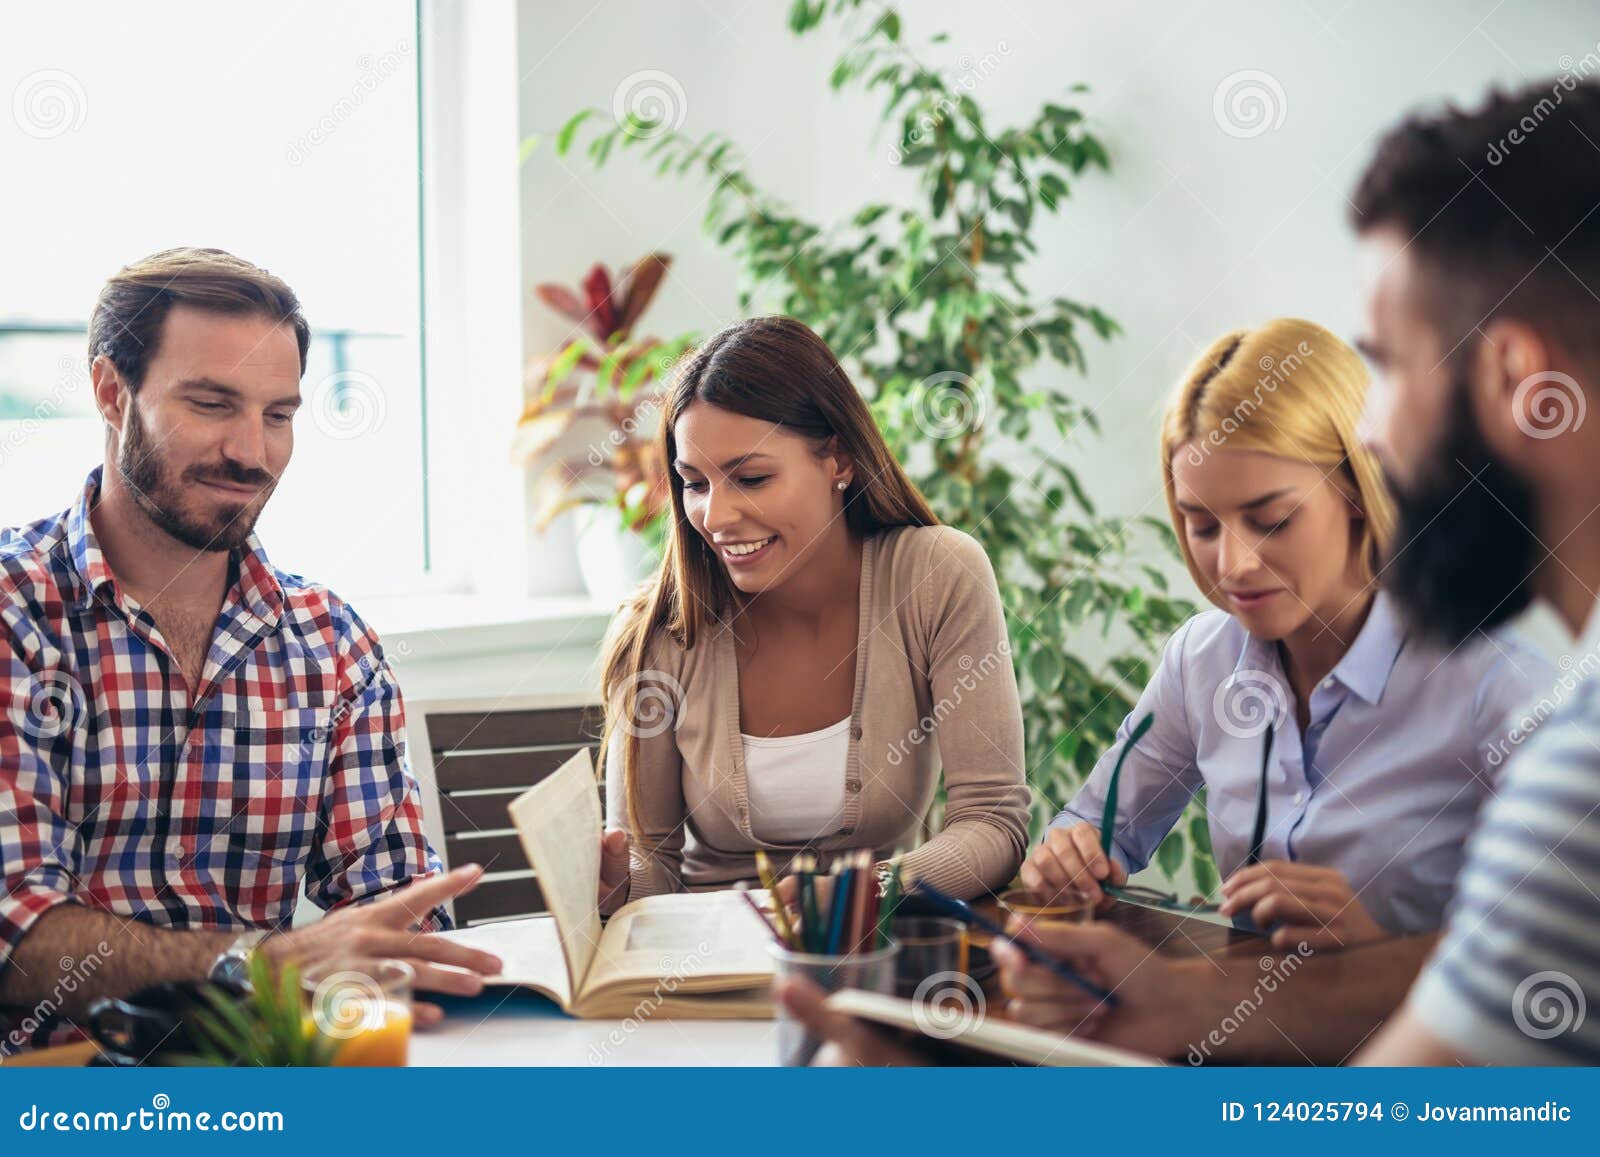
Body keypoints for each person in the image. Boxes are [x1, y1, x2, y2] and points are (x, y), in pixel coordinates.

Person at [777, 77, 1600, 1066]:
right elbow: (1498, 998)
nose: (1376, 430)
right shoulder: (1214, 659)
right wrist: (1175, 997)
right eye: (1200, 523)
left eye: (1385, 365)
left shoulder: (1550, 721)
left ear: (1516, 376)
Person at [0, 249, 499, 1055]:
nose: (251, 452)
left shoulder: (331, 645)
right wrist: (262, 960)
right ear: (108, 391)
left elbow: (399, 912)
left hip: (266, 1078)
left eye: (279, 415)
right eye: (212, 403)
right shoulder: (16, 615)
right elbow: (14, 935)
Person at [1021, 319, 1549, 950]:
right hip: (1239, 1032)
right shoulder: (1201, 659)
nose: (1234, 565)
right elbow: (1097, 826)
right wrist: (1067, 856)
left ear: (1357, 488)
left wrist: (1379, 947)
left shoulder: (1496, 685)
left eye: (1271, 520)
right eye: (1202, 525)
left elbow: (1562, 955)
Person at [595, 315, 1029, 912]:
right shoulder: (659, 631)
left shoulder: (935, 577)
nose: (716, 517)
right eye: (694, 484)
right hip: (703, 969)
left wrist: (858, 896)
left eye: (751, 478)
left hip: (882, 957)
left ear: (838, 461)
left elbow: (993, 822)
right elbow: (654, 861)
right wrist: (613, 883)